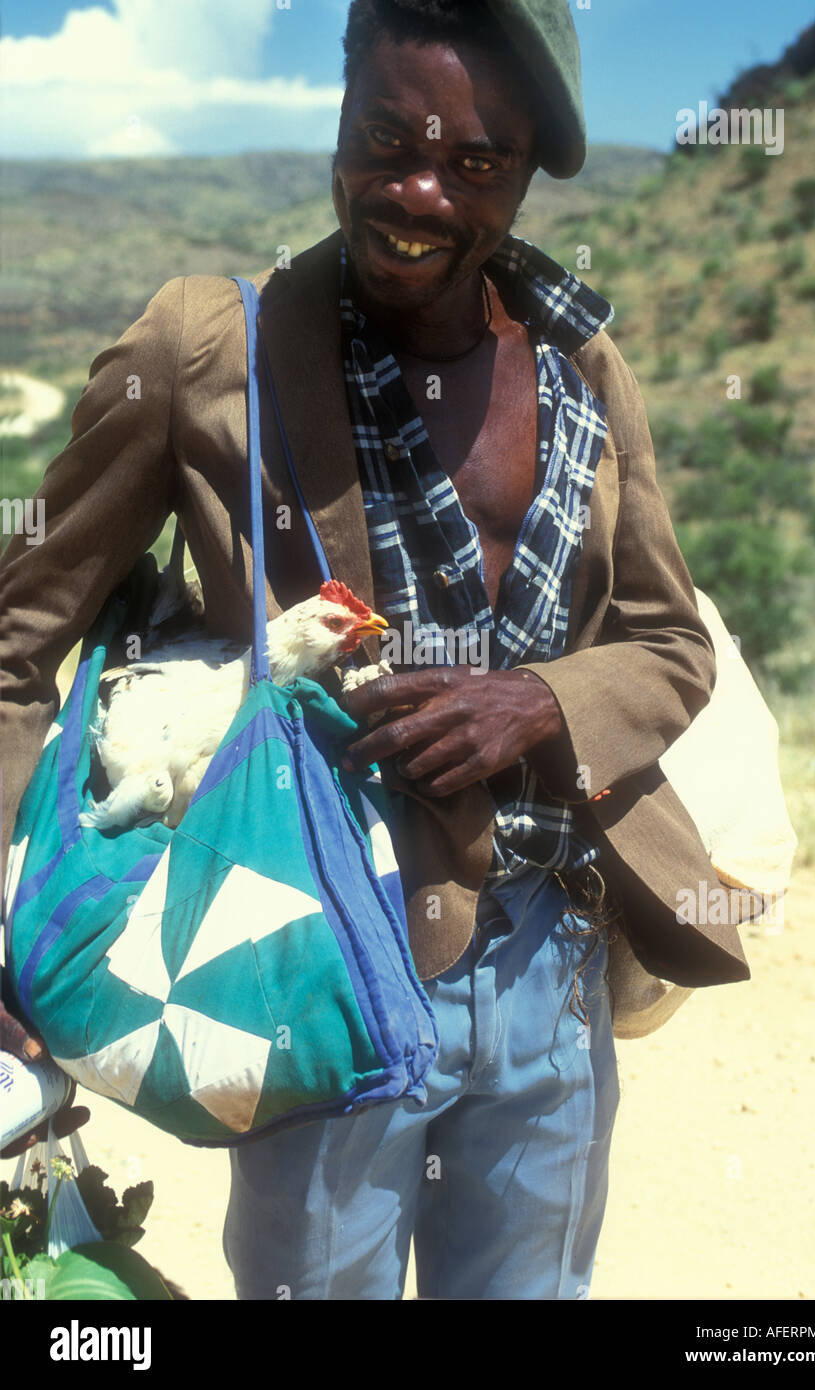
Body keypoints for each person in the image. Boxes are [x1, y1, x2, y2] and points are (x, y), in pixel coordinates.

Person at [0, 0, 750, 1297]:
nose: (416, 191)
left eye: (473, 162)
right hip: (309, 956)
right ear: (338, 115)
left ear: (527, 168)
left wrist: (540, 702)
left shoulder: (581, 365)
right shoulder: (207, 351)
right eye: (385, 138)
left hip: (548, 962)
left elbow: (666, 635)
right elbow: (19, 639)